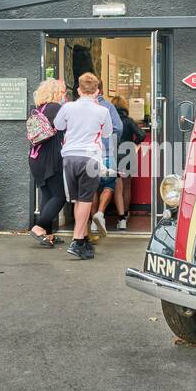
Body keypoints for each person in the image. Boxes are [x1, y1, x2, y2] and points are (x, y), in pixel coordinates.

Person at [53, 73, 110, 261]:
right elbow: (108, 132)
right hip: (89, 157)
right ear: (97, 91)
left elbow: (58, 125)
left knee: (78, 200)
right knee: (85, 200)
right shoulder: (102, 111)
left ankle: (83, 238)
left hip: (69, 156)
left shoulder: (68, 107)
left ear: (78, 90)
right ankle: (77, 241)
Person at [28, 78, 66, 248]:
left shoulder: (37, 109)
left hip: (35, 158)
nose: (64, 95)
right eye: (62, 92)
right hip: (50, 158)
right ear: (56, 93)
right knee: (60, 196)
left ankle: (48, 235)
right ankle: (39, 227)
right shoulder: (56, 108)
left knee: (48, 194)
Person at [89, 90, 123, 237]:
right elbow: (119, 127)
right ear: (100, 90)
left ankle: (92, 223)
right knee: (109, 185)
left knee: (92, 187)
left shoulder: (80, 106)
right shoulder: (108, 106)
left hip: (89, 153)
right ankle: (100, 213)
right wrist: (110, 140)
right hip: (107, 152)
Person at [111, 97, 145, 231]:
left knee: (115, 186)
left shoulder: (111, 120)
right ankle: (125, 214)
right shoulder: (129, 120)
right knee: (127, 186)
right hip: (128, 154)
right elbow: (141, 135)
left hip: (114, 154)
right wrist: (134, 145)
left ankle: (118, 216)